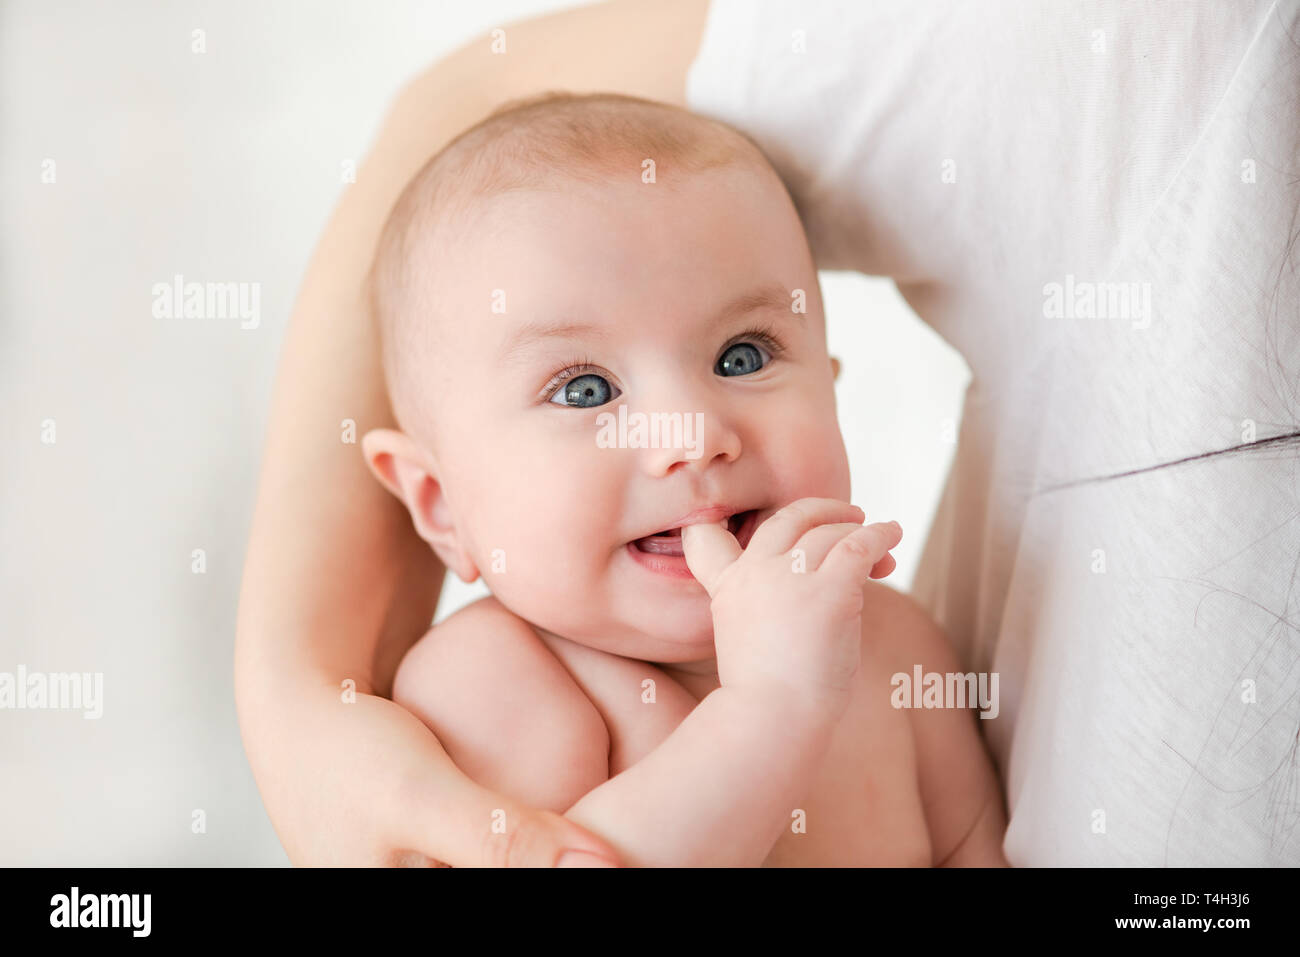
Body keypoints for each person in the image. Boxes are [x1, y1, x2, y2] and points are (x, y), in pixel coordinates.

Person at [235, 0, 1300, 865]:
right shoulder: (492, 686)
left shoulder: (889, 651)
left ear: (830, 384)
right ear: (438, 505)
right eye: (583, 388)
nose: (692, 434)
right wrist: (773, 708)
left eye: (742, 357)